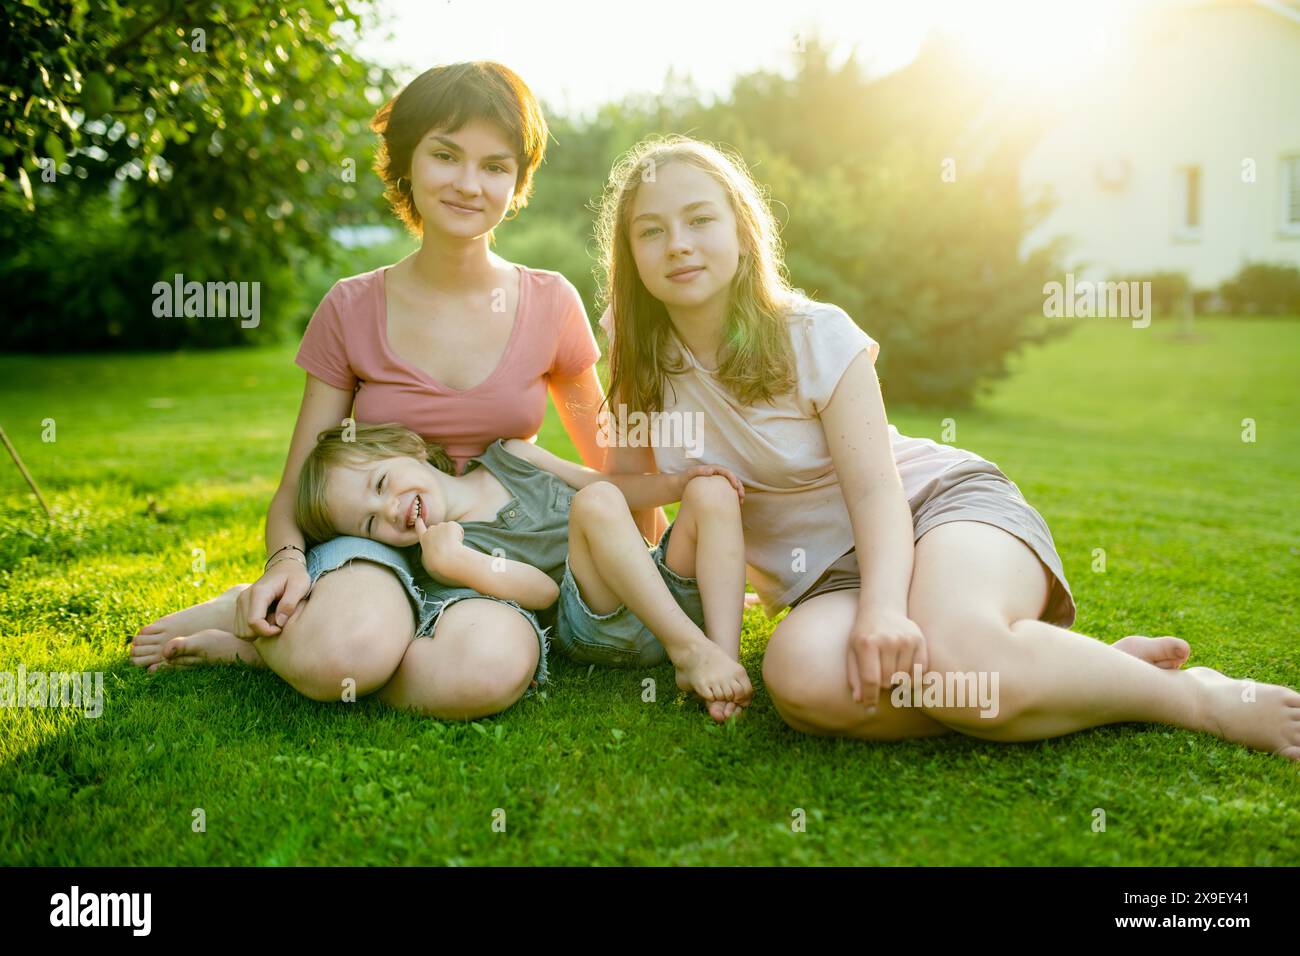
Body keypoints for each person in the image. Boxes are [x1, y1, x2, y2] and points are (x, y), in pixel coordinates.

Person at [594, 134, 1300, 758]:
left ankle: (1195, 699)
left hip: (934, 513)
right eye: (650, 231)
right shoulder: (639, 360)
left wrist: (884, 609)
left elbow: (874, 491)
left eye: (699, 220)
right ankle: (1071, 676)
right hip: (823, 582)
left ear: (743, 235)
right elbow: (634, 496)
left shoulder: (812, 334)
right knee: (803, 683)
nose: (678, 244)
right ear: (630, 255)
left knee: (954, 661)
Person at [130, 61, 666, 719]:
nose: (470, 184)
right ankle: (275, 619)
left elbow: (607, 469)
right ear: (406, 162)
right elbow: (297, 483)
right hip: (372, 542)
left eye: (495, 166)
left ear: (517, 182)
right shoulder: (350, 306)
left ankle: (293, 641)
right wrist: (286, 561)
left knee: (485, 674)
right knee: (344, 657)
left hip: (486, 558)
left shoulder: (550, 301)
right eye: (446, 155)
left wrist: (658, 572)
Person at [288, 422, 752, 720]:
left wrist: (677, 485)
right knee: (596, 506)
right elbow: (543, 592)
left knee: (712, 493)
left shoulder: (511, 455)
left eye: (382, 483)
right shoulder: (443, 554)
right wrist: (458, 562)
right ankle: (689, 651)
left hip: (657, 587)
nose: (390, 509)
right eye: (370, 523)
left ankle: (723, 661)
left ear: (410, 448)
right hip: (598, 620)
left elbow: (599, 482)